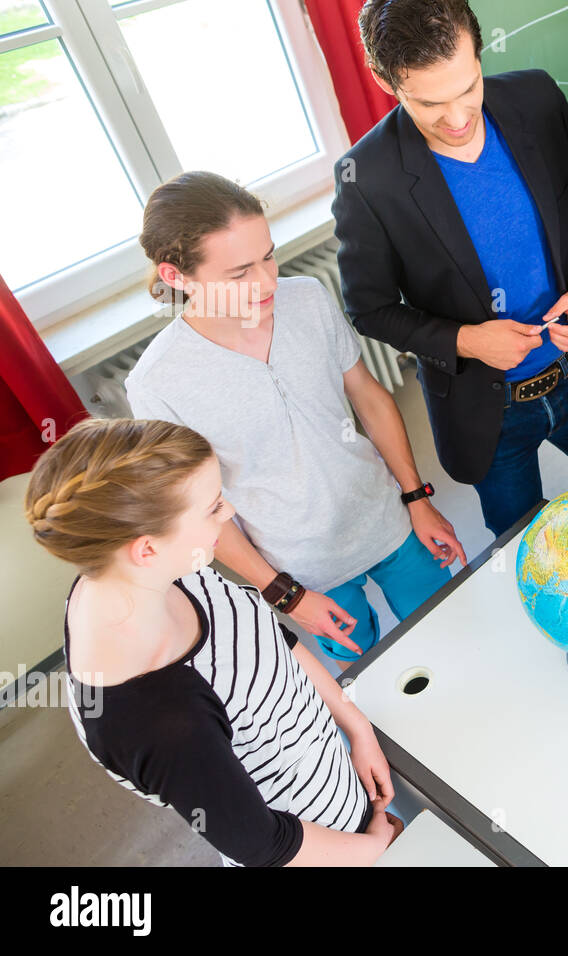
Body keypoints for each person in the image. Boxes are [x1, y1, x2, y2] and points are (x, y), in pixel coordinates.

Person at [331, 0, 568, 579]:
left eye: (468, 88)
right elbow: (369, 308)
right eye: (430, 103)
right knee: (525, 545)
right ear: (386, 82)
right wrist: (466, 340)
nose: (458, 117)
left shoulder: (536, 99)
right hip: (485, 409)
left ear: (479, 54)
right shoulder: (367, 177)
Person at [26, 417, 404, 865]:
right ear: (146, 548)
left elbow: (267, 638)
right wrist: (375, 846)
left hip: (342, 786)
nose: (229, 513)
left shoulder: (155, 570)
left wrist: (353, 724)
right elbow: (263, 844)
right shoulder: (151, 719)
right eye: (212, 508)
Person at [126, 171, 466, 669]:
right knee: (373, 675)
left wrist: (416, 497)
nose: (267, 282)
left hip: (388, 521)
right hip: (303, 570)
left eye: (268, 256)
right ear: (177, 276)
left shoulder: (306, 296)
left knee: (454, 632)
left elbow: (368, 396)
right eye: (239, 273)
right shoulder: (157, 384)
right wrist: (284, 595)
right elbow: (199, 511)